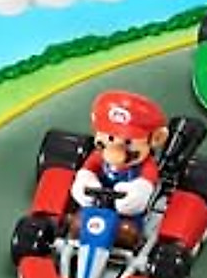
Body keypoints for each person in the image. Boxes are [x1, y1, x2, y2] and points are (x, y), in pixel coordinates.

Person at [70, 90, 168, 247]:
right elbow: (88, 169)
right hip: (96, 201)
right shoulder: (98, 156)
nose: (115, 151)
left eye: (128, 142)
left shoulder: (146, 165)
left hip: (128, 211)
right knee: (78, 224)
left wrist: (137, 194)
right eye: (110, 138)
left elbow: (146, 182)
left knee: (127, 233)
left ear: (155, 139)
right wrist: (85, 181)